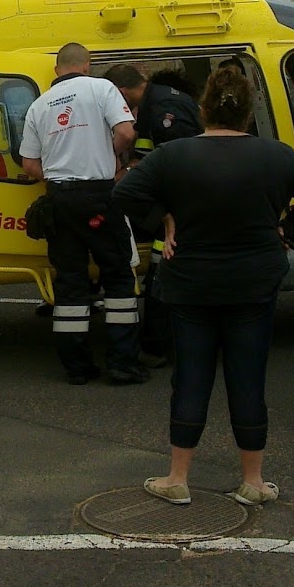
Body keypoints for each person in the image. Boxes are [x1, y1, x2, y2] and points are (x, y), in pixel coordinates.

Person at [114, 67, 294, 506]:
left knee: (191, 378)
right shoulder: (275, 156)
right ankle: (252, 481)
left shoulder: (173, 155)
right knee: (248, 378)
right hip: (253, 282)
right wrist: (288, 229)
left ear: (202, 109)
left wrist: (163, 217)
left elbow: (124, 194)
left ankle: (178, 477)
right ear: (248, 113)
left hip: (191, 282)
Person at [20, 43, 141, 385]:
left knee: (71, 284)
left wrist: (62, 170)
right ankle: (122, 364)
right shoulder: (101, 88)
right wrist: (112, 156)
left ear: (58, 69)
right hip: (99, 196)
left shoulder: (39, 105)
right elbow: (126, 131)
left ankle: (76, 367)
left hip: (59, 200)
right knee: (117, 276)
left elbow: (30, 165)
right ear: (86, 66)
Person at [104, 63, 203, 367]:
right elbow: (149, 152)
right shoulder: (154, 103)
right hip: (174, 209)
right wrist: (131, 166)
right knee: (162, 279)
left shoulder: (165, 110)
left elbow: (178, 167)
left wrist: (165, 216)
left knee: (163, 279)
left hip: (180, 212)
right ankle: (163, 346)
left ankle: (161, 349)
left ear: (120, 92)